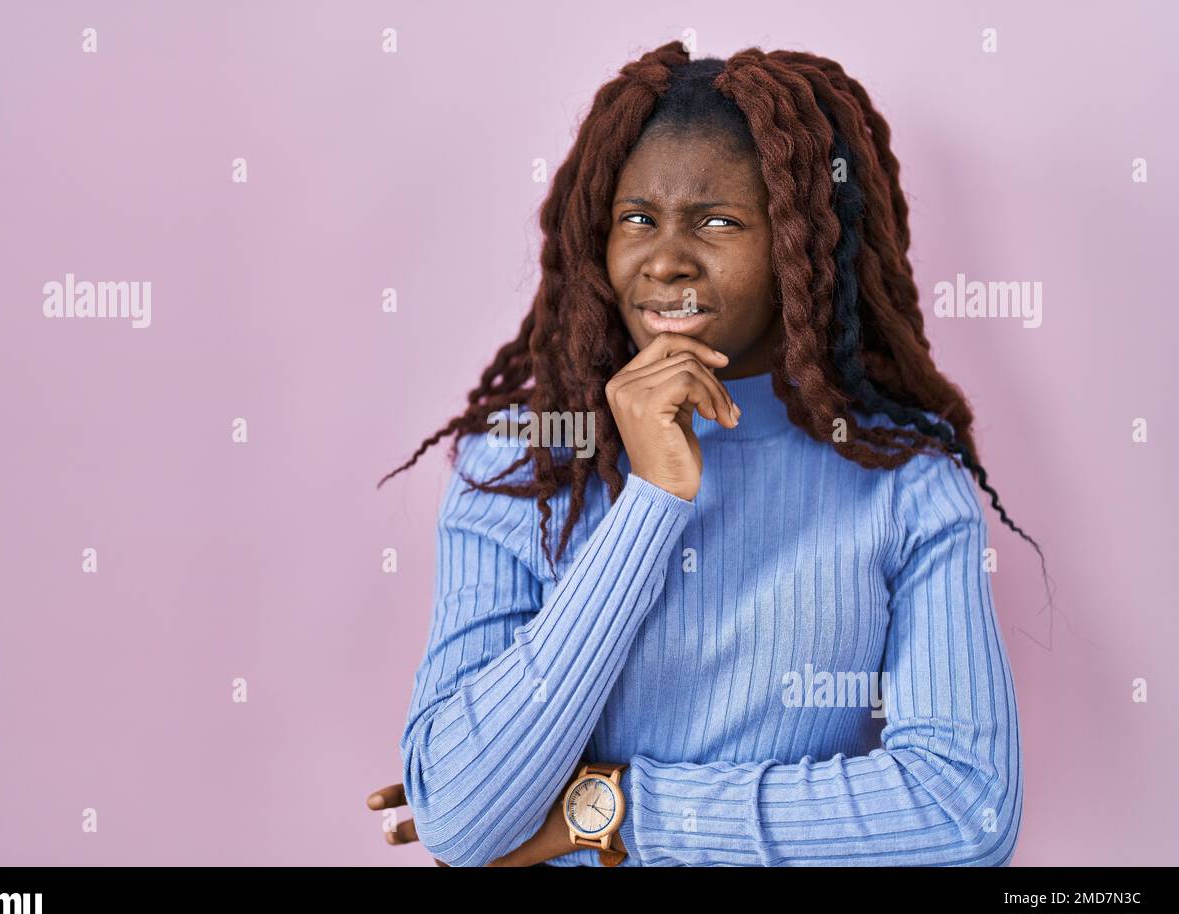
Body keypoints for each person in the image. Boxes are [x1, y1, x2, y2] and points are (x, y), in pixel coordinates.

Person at [371, 40, 1046, 867]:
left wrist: (615, 811)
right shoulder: (522, 465)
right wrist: (652, 498)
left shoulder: (902, 480)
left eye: (718, 221)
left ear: (804, 246)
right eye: (636, 220)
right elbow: (464, 820)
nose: (664, 259)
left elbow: (961, 810)